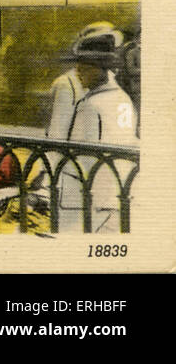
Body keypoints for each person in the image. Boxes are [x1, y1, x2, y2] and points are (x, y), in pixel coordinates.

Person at [58, 26, 139, 233]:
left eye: (84, 65)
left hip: (91, 206)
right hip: (120, 196)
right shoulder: (123, 99)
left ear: (100, 68)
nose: (77, 71)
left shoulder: (91, 105)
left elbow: (82, 160)